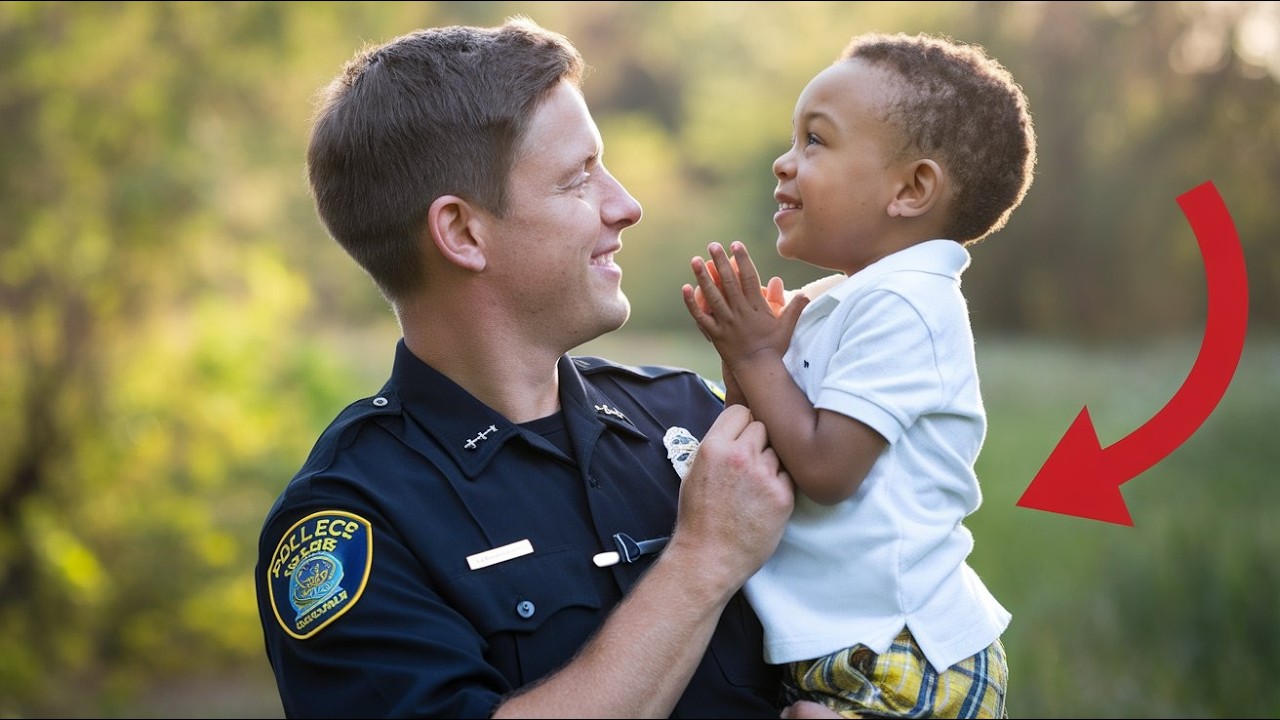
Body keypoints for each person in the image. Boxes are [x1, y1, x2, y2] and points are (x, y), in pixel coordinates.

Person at [252, 16, 848, 720]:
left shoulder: (692, 415)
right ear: (463, 233)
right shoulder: (352, 522)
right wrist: (701, 561)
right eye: (580, 179)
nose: (626, 206)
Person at [682, 31, 1037, 719]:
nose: (785, 163)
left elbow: (827, 469)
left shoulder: (907, 303)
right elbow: (766, 456)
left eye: (816, 141)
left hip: (903, 650)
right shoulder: (844, 301)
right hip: (848, 648)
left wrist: (760, 360)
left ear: (911, 188)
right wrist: (742, 360)